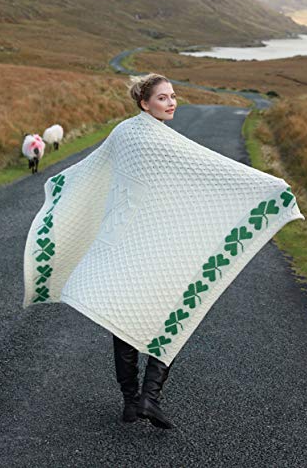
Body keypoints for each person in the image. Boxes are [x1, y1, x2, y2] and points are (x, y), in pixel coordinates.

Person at [112, 73, 178, 429]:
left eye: (172, 96)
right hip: (148, 247)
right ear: (144, 103)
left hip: (127, 245)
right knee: (170, 324)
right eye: (163, 97)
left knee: (124, 327)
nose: (171, 102)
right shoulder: (160, 142)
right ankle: (146, 399)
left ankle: (134, 402)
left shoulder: (123, 133)